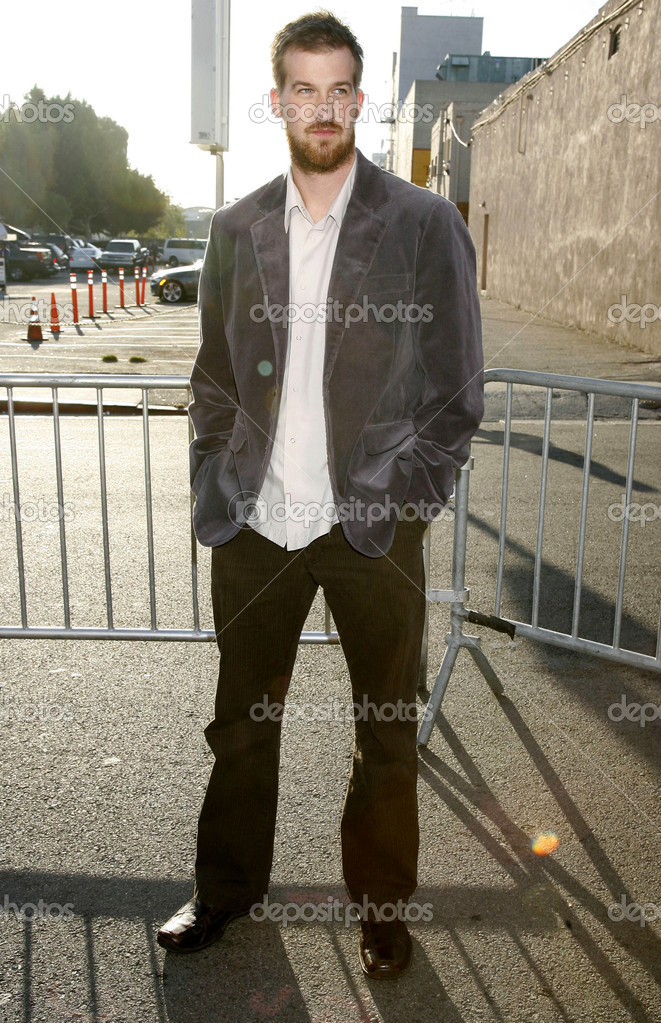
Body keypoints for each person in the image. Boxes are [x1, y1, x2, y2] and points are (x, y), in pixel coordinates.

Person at [157, 10, 484, 979]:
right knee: (240, 727)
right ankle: (224, 891)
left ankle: (380, 911)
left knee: (384, 733)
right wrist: (216, 471)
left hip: (370, 524)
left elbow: (456, 389)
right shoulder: (236, 229)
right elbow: (213, 377)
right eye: (303, 90)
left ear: (359, 100)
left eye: (339, 89)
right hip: (256, 523)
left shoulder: (421, 224)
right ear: (278, 103)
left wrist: (407, 497)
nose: (322, 107)